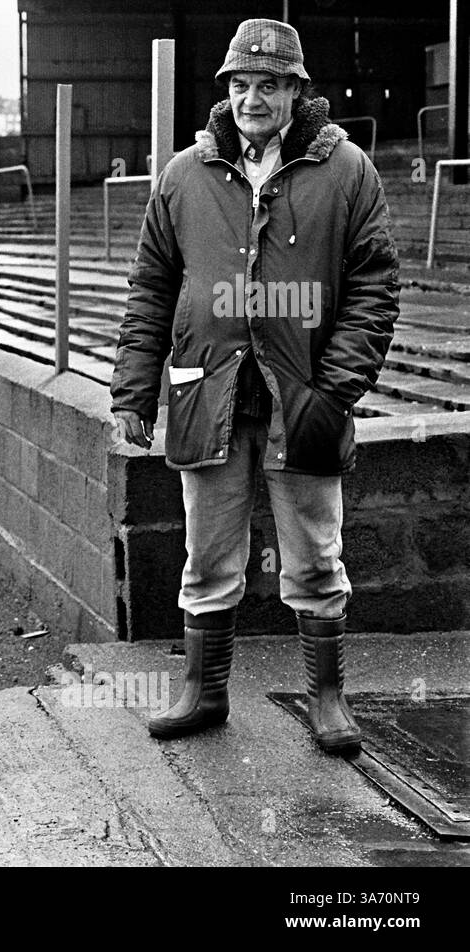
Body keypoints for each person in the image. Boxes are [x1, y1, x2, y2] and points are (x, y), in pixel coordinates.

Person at [110, 18, 399, 754]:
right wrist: (133, 393)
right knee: (207, 558)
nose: (251, 98)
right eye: (239, 85)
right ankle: (203, 692)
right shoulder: (184, 175)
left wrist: (334, 391)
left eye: (268, 85)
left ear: (297, 91)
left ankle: (326, 696)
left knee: (313, 557)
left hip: (302, 401)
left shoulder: (347, 172)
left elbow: (373, 287)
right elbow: (150, 288)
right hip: (209, 396)